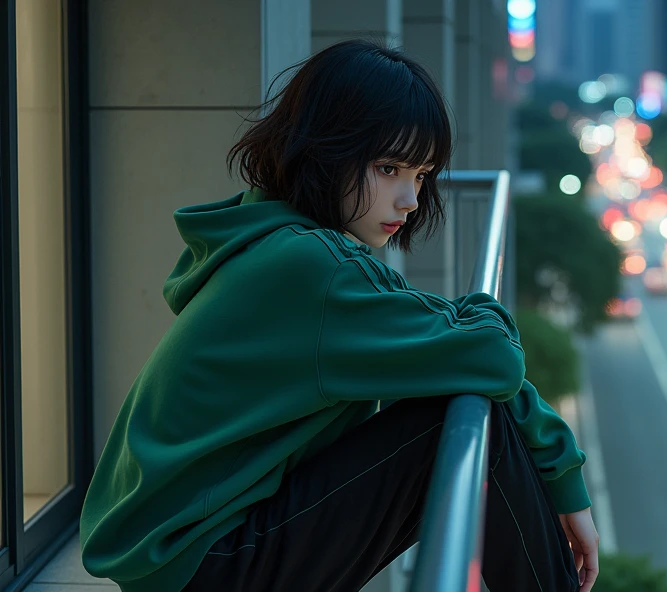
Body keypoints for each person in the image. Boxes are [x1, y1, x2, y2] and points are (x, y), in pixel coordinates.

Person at [79, 39, 599, 592]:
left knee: (461, 400)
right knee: (472, 423)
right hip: (207, 565)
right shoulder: (315, 267)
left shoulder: (273, 237)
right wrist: (562, 477)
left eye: (421, 175)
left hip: (184, 551)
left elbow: (461, 355)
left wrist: (557, 468)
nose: (410, 200)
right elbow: (492, 358)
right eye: (388, 167)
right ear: (324, 150)